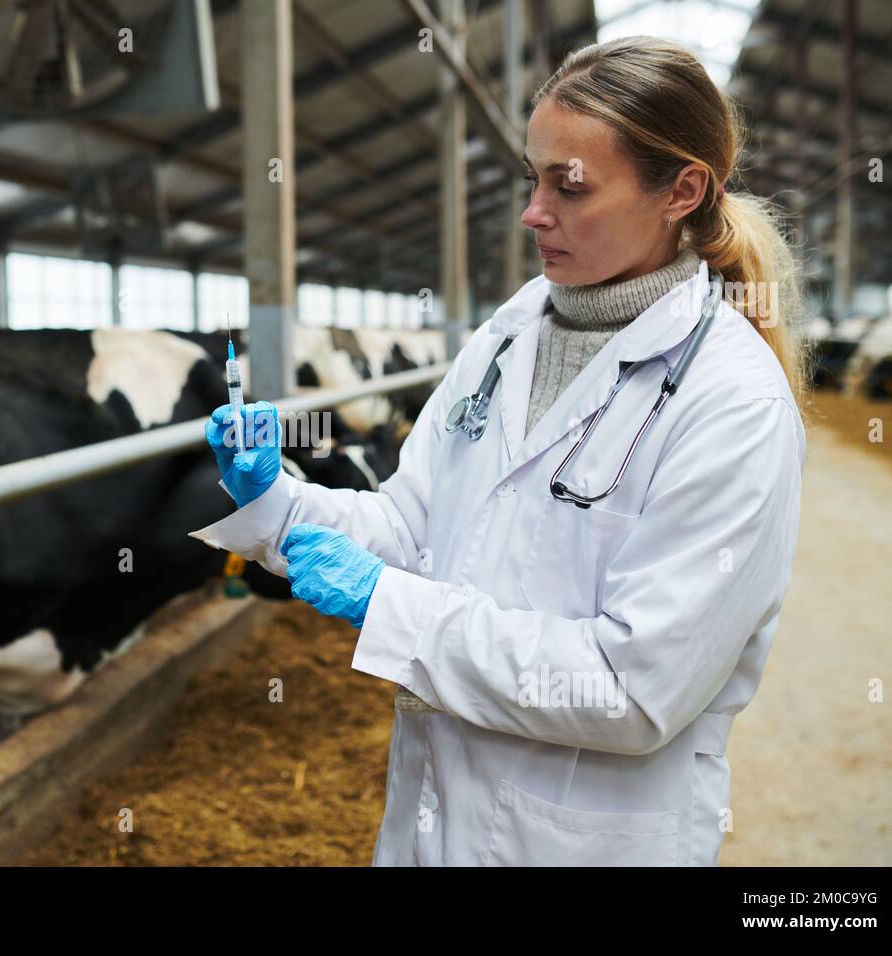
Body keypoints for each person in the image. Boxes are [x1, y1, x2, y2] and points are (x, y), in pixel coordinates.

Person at [190, 36, 812, 866]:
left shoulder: (732, 400)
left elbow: (630, 688)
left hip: (586, 841)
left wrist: (391, 608)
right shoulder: (507, 334)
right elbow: (413, 526)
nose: (533, 211)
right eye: (533, 177)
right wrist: (279, 503)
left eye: (570, 185)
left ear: (683, 191)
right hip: (430, 818)